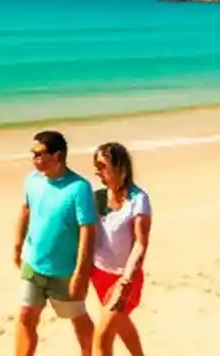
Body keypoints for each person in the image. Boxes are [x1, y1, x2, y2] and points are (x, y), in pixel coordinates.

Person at [13, 130, 97, 356]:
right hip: (33, 263)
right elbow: (26, 209)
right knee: (25, 317)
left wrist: (82, 272)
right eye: (32, 154)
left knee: (78, 319)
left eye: (39, 154)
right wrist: (17, 245)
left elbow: (88, 230)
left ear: (57, 155)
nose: (34, 159)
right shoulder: (32, 180)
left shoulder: (79, 187)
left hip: (63, 271)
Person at [90, 142, 151, 356]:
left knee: (102, 337)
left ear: (119, 167)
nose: (97, 172)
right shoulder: (96, 198)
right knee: (121, 324)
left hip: (124, 279)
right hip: (98, 274)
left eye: (102, 166)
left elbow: (140, 244)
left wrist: (126, 282)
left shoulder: (138, 200)